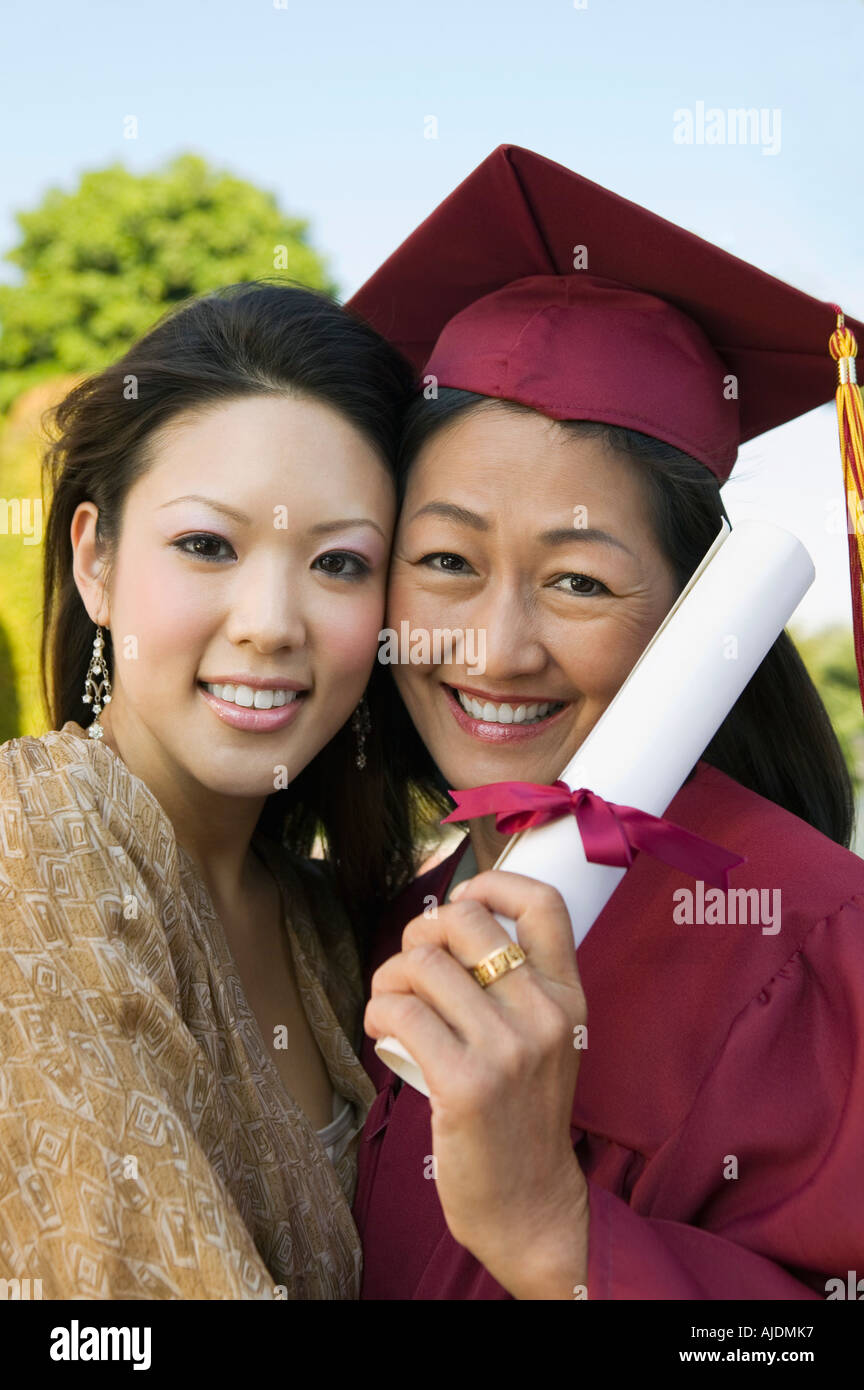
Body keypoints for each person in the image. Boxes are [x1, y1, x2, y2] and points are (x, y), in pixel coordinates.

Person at [346, 144, 864, 1299]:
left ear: (694, 615)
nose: (494, 649)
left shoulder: (817, 946)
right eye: (444, 561)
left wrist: (553, 1236)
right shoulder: (400, 916)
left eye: (579, 580)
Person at [0, 280, 422, 1298]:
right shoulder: (35, 837)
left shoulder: (331, 924)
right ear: (95, 559)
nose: (271, 622)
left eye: (338, 561)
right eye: (206, 545)